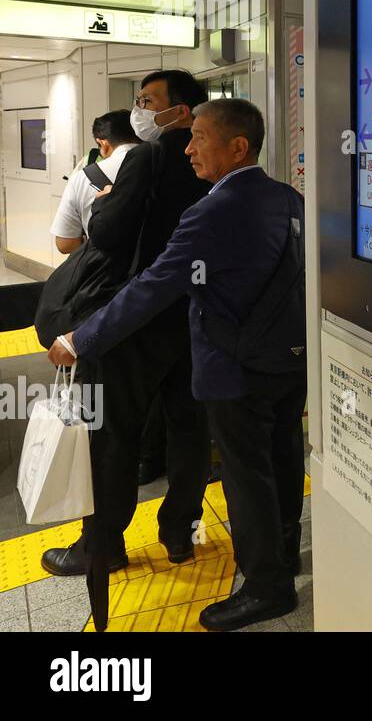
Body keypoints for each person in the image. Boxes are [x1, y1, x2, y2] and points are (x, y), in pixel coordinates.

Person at [49, 98, 308, 632]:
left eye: (200, 138)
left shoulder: (212, 211)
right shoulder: (288, 199)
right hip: (286, 361)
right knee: (281, 461)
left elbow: (153, 286)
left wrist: (82, 339)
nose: (188, 148)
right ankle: (281, 556)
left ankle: (266, 587)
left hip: (233, 368)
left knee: (245, 476)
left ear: (238, 147)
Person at [41, 71, 212, 583]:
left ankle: (104, 545)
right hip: (195, 317)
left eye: (147, 101)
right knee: (188, 426)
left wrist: (104, 201)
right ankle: (180, 532)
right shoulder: (218, 164)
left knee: (114, 434)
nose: (138, 110)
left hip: (134, 318)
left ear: (180, 111)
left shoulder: (149, 157)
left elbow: (110, 235)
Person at [49, 110, 139, 254]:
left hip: (105, 271)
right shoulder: (164, 164)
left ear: (102, 143)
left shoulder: (82, 178)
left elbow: (65, 244)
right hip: (160, 268)